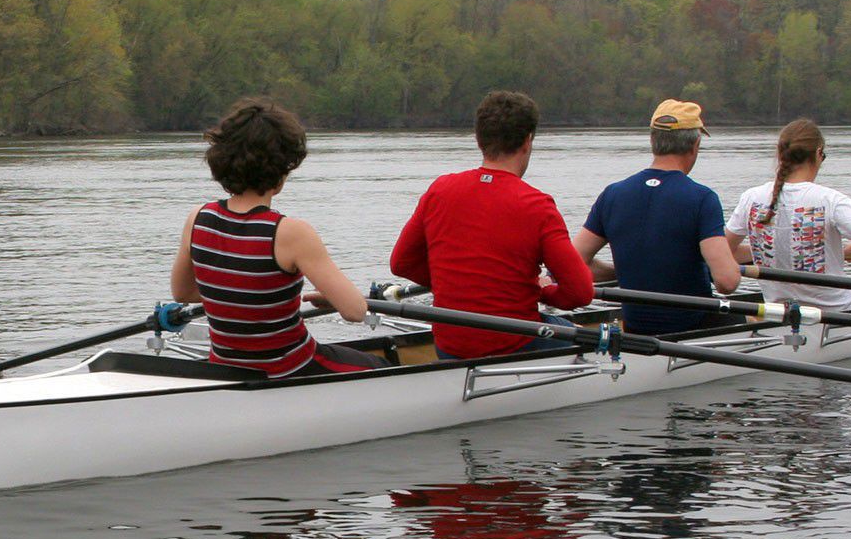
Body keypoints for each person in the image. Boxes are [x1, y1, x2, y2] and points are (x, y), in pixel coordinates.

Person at [171, 97, 386, 378]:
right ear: (282, 170)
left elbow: (183, 292)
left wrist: (244, 295)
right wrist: (333, 299)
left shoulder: (198, 218)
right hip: (289, 368)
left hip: (224, 368)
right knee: (384, 366)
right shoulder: (291, 233)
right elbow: (356, 311)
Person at [390, 90, 595, 359]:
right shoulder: (537, 205)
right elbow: (580, 293)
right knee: (587, 338)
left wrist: (451, 283)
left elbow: (401, 263)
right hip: (513, 344)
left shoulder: (439, 190)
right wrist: (541, 289)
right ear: (527, 141)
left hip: (450, 344)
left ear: (478, 140)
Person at [573, 99, 741, 334]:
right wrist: (733, 267)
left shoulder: (612, 194)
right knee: (742, 319)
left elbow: (573, 263)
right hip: (692, 330)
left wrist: (624, 271)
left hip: (636, 330)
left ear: (653, 141)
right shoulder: (702, 198)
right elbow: (727, 282)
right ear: (695, 144)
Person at [725, 119, 851, 310]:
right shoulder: (830, 200)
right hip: (837, 309)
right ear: (818, 153)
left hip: (780, 309)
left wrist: (772, 252)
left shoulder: (751, 197)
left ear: (780, 154)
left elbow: (723, 252)